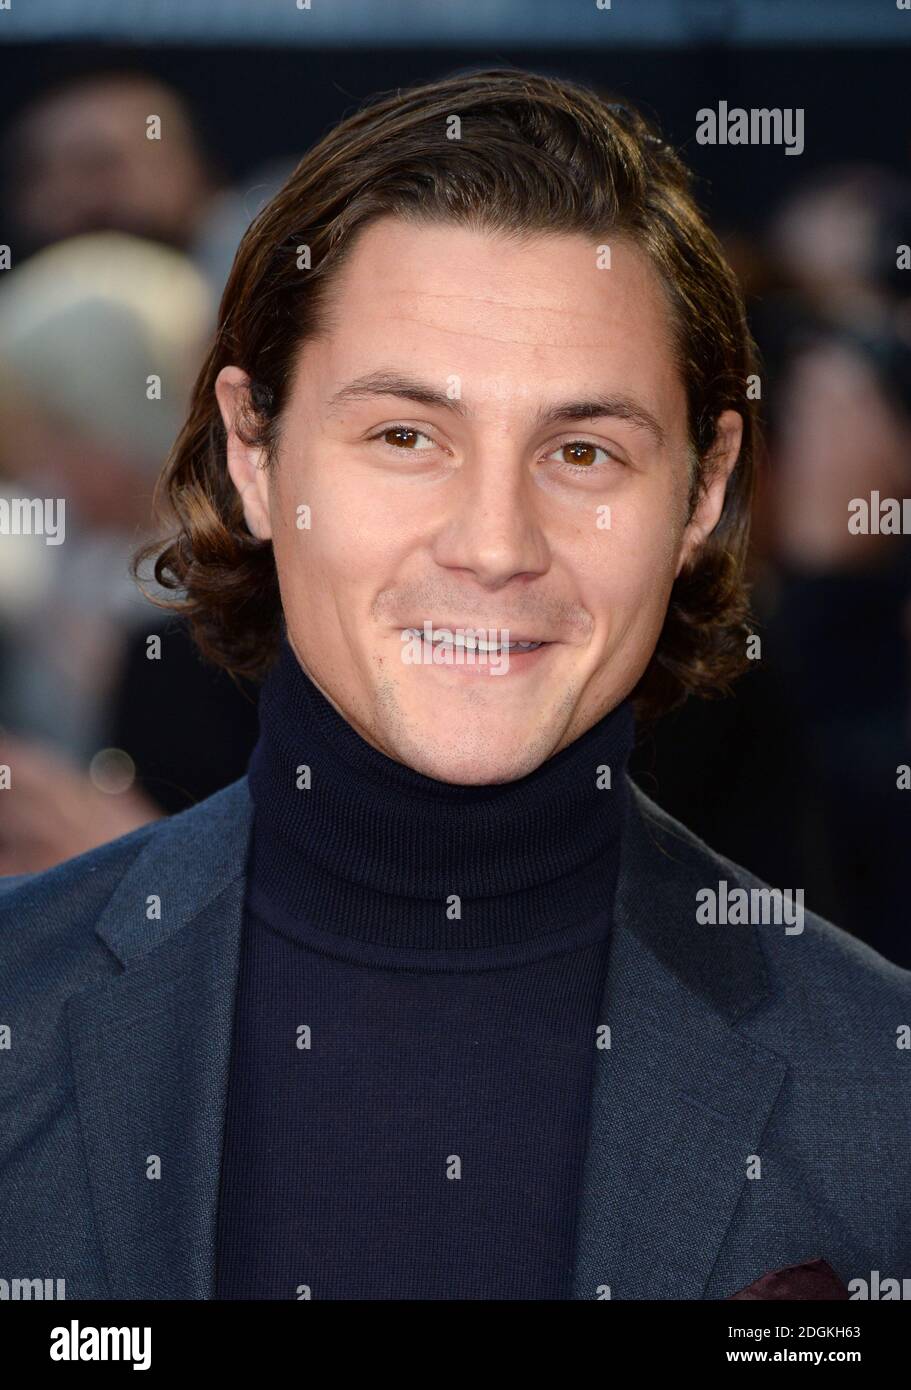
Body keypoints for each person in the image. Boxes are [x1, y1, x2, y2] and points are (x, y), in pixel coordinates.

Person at [1, 68, 909, 1302]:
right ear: (253, 454)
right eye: (405, 437)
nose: (493, 541)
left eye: (581, 450)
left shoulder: (877, 1094)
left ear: (699, 494)